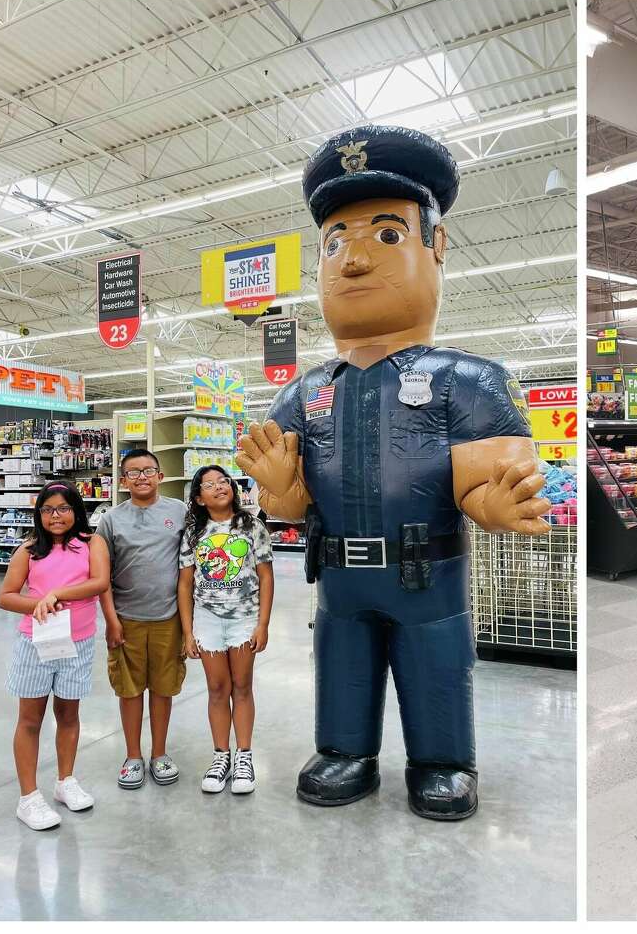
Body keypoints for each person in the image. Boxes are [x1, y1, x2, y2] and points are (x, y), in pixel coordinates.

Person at [236, 125, 550, 819]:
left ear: (435, 248)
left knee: (435, 660)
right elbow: (285, 502)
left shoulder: (468, 381)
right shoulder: (304, 391)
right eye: (334, 243)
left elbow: (487, 479)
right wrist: (283, 496)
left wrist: (494, 504)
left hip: (427, 573)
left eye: (384, 236)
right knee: (341, 658)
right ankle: (346, 748)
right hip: (340, 575)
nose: (350, 262)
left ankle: (443, 759)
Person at [0, 483, 110, 830]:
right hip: (36, 644)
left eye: (62, 508)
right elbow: (6, 596)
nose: (56, 516)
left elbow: (100, 582)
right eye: (48, 510)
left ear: (76, 510)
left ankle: (65, 781)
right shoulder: (28, 550)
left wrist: (56, 594)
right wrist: (39, 603)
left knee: (69, 714)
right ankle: (28, 798)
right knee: (30, 720)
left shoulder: (92, 544)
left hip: (78, 642)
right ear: (39, 514)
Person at [178, 465, 274, 794]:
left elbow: (265, 576)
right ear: (199, 498)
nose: (219, 487)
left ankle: (244, 755)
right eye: (210, 484)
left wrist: (262, 624)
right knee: (217, 689)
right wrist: (188, 632)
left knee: (242, 686)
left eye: (223, 481)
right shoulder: (193, 533)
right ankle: (221, 756)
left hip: (244, 619)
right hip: (207, 619)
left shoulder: (253, 526)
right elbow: (185, 583)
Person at [96, 449, 188, 789]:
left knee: (164, 689)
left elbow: (190, 568)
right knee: (129, 690)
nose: (142, 477)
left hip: (169, 619)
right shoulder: (110, 520)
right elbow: (101, 576)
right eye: (133, 473)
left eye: (148, 470)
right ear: (123, 481)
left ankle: (159, 754)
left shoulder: (179, 512)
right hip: (126, 619)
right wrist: (110, 620)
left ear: (160, 476)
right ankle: (133, 756)